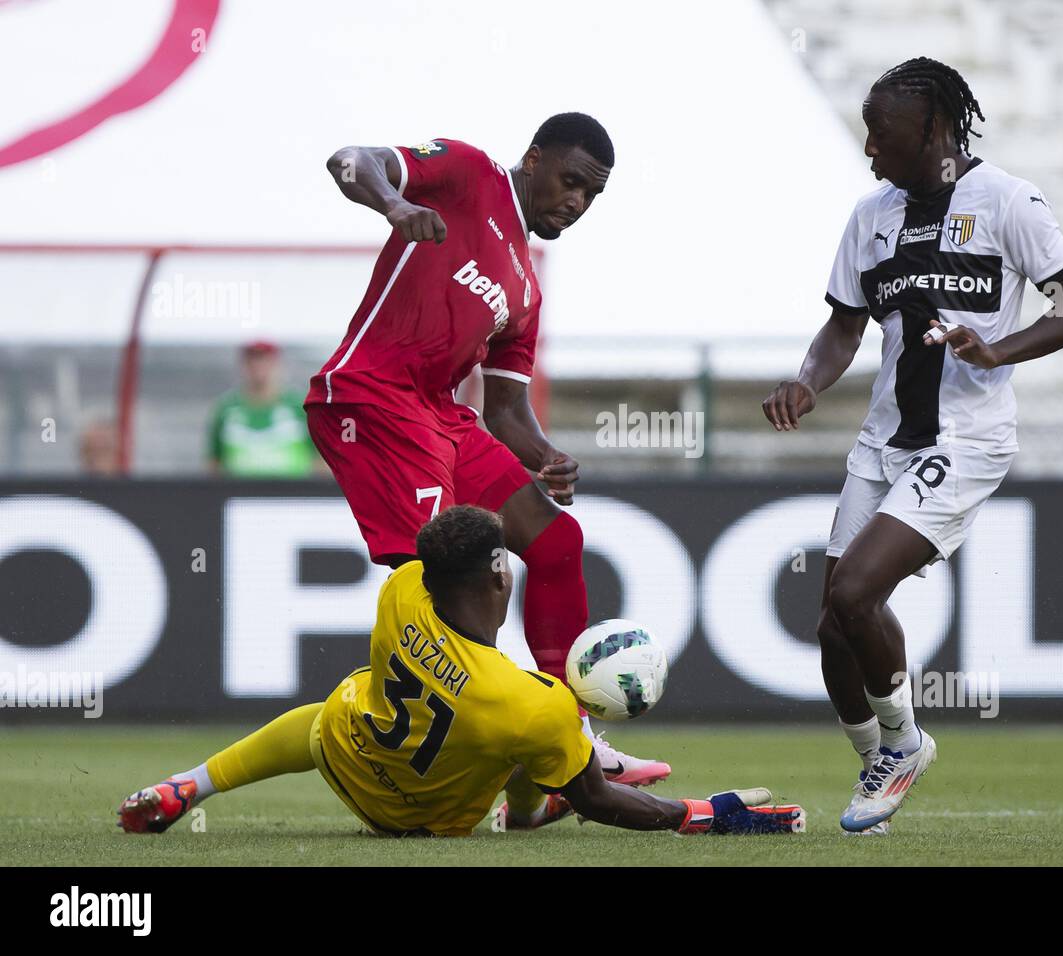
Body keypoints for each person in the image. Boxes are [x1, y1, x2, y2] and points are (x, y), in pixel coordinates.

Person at [762, 57, 1063, 835]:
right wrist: (807, 382)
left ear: (934, 128)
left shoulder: (1008, 201)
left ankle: (904, 745)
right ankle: (878, 767)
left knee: (856, 594)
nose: (870, 147)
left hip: (965, 438)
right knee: (833, 629)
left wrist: (999, 348)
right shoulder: (870, 216)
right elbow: (843, 326)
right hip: (882, 442)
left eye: (882, 133)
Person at [305, 113, 667, 784]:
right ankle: (475, 752)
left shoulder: (526, 287)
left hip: (441, 415)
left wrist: (545, 455)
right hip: (371, 396)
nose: (577, 202)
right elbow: (349, 159)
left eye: (591, 195)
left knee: (556, 541)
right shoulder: (470, 174)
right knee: (457, 578)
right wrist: (396, 206)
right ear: (533, 159)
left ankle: (571, 736)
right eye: (570, 181)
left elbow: (504, 409)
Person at [116, 506, 804, 839]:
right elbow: (600, 802)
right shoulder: (530, 702)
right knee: (535, 734)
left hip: (347, 753)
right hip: (418, 817)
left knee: (339, 704)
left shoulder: (402, 590)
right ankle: (528, 813)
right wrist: (705, 814)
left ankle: (189, 785)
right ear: (500, 574)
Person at [209, 340, 315, 477]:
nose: (258, 366)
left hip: (292, 490)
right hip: (240, 490)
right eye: (252, 360)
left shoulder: (300, 407)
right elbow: (214, 463)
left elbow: (320, 459)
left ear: (277, 364)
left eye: (264, 360)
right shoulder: (226, 410)